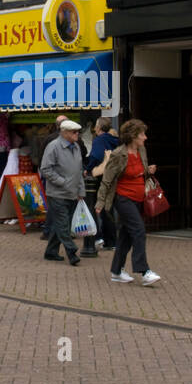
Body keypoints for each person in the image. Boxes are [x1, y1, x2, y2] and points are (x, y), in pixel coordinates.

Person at [96, 118, 160, 286]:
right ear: (133, 136)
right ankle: (144, 271)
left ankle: (116, 272)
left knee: (125, 236)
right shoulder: (118, 154)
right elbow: (107, 180)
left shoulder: (142, 150)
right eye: (142, 134)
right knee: (139, 231)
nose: (145, 137)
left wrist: (148, 170)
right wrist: (100, 203)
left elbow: (140, 172)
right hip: (123, 199)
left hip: (139, 198)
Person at [39, 119, 86, 266]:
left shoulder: (77, 147)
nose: (77, 134)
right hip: (57, 193)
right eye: (74, 132)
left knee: (59, 224)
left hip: (71, 193)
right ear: (64, 132)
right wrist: (62, 182)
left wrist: (80, 190)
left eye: (77, 132)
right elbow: (45, 169)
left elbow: (78, 171)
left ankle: (51, 252)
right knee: (63, 224)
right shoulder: (53, 147)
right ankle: (71, 252)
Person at [83, 117, 120, 256]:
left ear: (98, 128)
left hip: (103, 176)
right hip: (115, 176)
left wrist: (88, 168)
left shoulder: (99, 139)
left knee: (101, 206)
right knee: (109, 206)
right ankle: (111, 240)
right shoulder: (115, 140)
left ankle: (105, 239)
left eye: (96, 126)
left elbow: (96, 156)